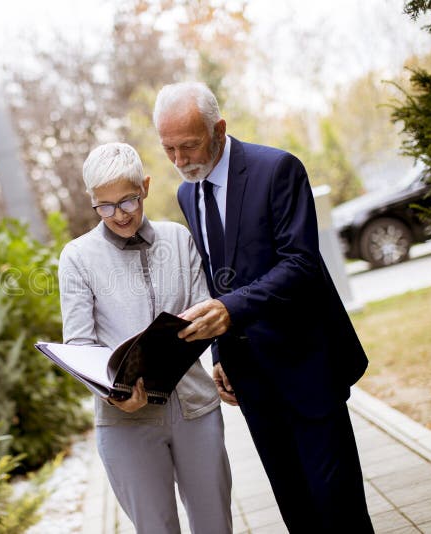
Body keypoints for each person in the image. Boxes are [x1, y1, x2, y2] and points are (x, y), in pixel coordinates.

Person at [153, 81, 373, 533]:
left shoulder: (278, 169)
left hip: (307, 367)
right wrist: (219, 354)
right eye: (168, 149)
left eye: (188, 145)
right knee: (296, 508)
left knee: (339, 508)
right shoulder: (185, 193)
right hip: (251, 379)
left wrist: (231, 309)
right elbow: (214, 278)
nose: (179, 161)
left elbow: (302, 264)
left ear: (219, 128)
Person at [58, 142, 233, 533]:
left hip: (193, 408)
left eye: (128, 200)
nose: (119, 215)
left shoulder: (177, 239)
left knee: (215, 525)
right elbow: (80, 344)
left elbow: (204, 309)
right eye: (105, 206)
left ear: (146, 187)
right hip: (125, 420)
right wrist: (113, 393)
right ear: (92, 201)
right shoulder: (77, 258)